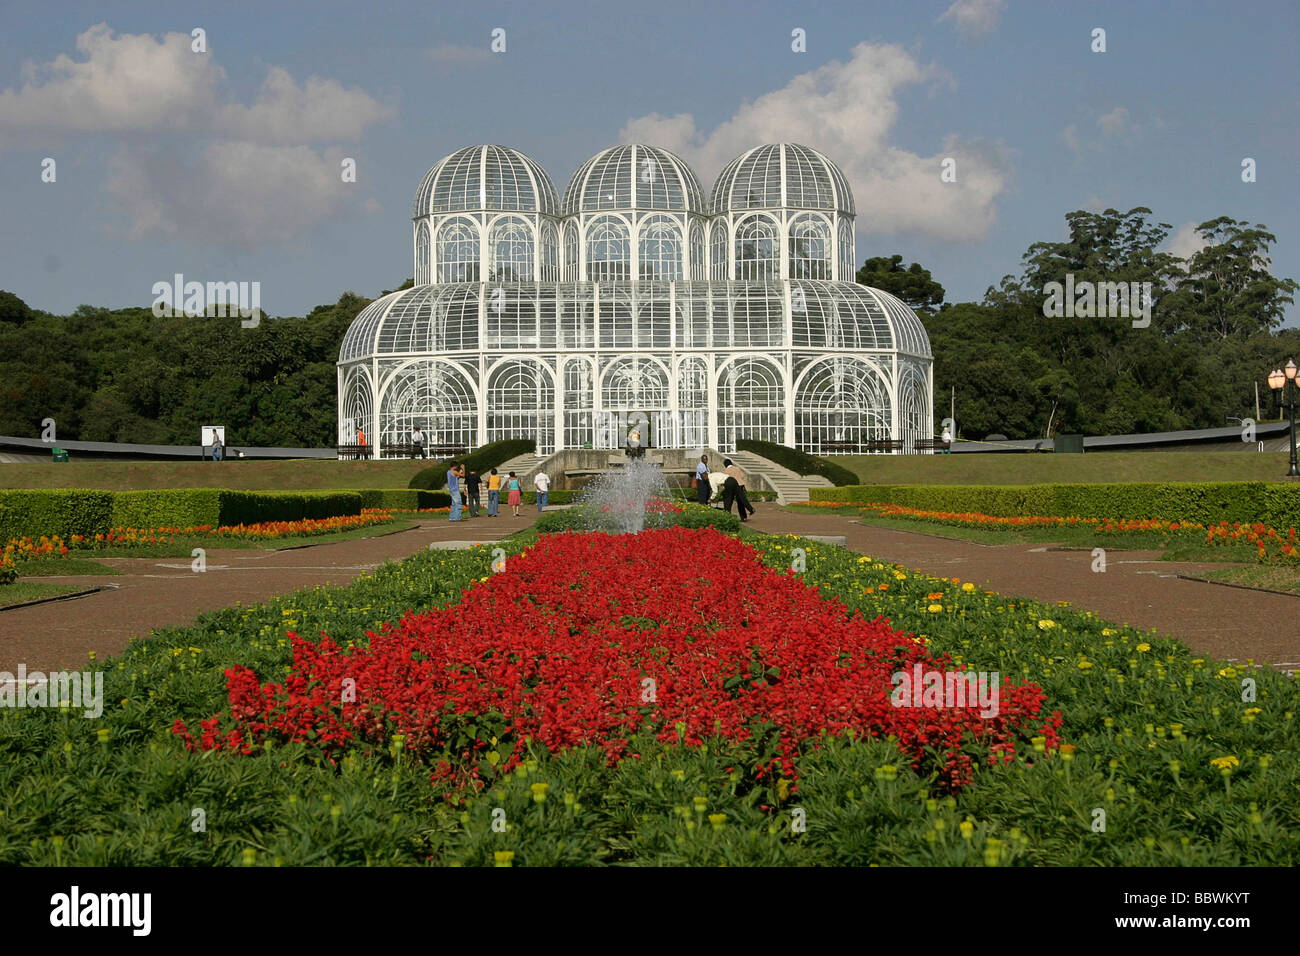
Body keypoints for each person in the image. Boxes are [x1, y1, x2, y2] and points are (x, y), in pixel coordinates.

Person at [721, 457, 754, 522]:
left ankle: (727, 515)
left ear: (725, 465)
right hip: (740, 485)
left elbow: (725, 481)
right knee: (741, 502)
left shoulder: (725, 471)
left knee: (728, 501)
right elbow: (742, 475)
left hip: (731, 487)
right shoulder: (737, 468)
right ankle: (744, 517)